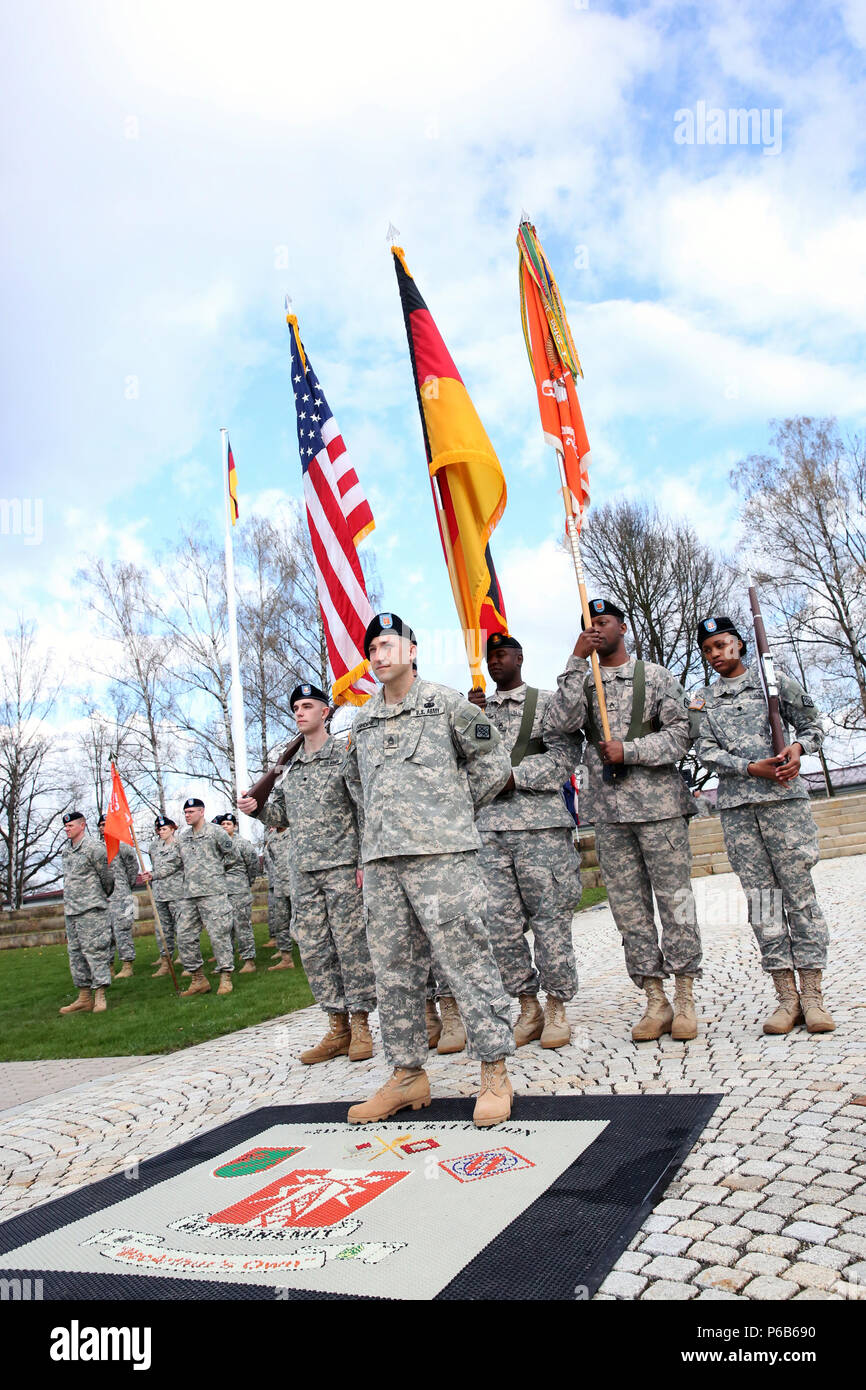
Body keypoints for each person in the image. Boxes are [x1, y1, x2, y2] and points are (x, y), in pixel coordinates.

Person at [342, 612, 516, 1128]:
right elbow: (357, 786)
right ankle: (406, 1075)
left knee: (465, 958)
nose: (379, 654)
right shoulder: (364, 720)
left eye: (389, 644)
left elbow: (493, 758)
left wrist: (455, 808)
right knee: (393, 969)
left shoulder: (445, 704)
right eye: (373, 647)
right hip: (383, 862)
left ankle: (494, 1071)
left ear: (412, 651)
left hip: (442, 857)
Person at [546, 599, 702, 1042]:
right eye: (588, 625)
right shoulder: (583, 680)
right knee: (630, 912)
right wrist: (576, 661)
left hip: (659, 811)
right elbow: (559, 726)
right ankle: (655, 999)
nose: (596, 629)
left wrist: (630, 751)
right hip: (610, 814)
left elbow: (679, 737)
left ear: (623, 626)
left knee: (676, 903)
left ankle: (685, 994)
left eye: (603, 621)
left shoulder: (654, 677)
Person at [694, 615, 833, 1034]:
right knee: (763, 901)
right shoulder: (702, 700)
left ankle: (813, 994)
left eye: (721, 645)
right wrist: (750, 767)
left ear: (739, 644)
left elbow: (813, 725)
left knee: (799, 896)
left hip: (785, 806)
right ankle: (786, 997)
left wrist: (797, 746)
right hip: (740, 811)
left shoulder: (774, 685)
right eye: (708, 650)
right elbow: (705, 750)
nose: (716, 655)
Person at [238, 683, 377, 1063]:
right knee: (315, 950)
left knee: (351, 947)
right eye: (296, 707)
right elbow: (280, 815)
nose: (300, 712)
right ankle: (337, 1027)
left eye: (307, 706)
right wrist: (257, 808)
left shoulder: (344, 754)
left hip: (343, 867)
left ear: (325, 712)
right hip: (304, 872)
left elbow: (363, 808)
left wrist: (364, 861)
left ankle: (362, 1023)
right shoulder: (291, 767)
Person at [468, 633, 583, 1049]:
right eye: (489, 656)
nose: (494, 662)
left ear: (520, 656)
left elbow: (565, 755)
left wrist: (514, 777)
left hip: (540, 830)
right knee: (499, 925)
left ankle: (556, 1006)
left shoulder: (547, 702)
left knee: (550, 919)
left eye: (501, 654)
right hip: (488, 831)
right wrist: (469, 721)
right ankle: (526, 1004)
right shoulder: (473, 711)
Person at [173, 798, 237, 997]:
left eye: (191, 811)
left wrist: (215, 871)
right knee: (184, 936)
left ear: (202, 811)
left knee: (219, 935)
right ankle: (198, 979)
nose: (187, 815)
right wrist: (154, 874)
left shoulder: (216, 832)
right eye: (185, 812)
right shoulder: (183, 838)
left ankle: (225, 977)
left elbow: (232, 855)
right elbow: (176, 862)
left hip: (213, 892)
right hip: (190, 894)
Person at [59, 811, 114, 1014]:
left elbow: (107, 877)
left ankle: (100, 995)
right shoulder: (67, 851)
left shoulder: (94, 848)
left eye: (71, 825)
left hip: (91, 908)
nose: (67, 829)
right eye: (65, 826)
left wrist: (98, 896)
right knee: (75, 953)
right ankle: (84, 997)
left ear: (82, 825)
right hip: (72, 910)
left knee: (95, 951)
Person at [214, 813, 259, 974]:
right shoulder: (217, 845)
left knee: (242, 926)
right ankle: (226, 962)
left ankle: (249, 960)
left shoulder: (242, 844)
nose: (225, 826)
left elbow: (253, 864)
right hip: (221, 891)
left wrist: (248, 882)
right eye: (222, 824)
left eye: (228, 824)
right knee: (224, 929)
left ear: (234, 826)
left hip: (239, 891)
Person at [97, 813, 138, 978]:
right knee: (105, 933)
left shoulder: (123, 846)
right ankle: (109, 965)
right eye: (100, 824)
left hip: (122, 896)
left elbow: (132, 869)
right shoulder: (96, 848)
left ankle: (127, 964)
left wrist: (125, 886)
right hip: (102, 897)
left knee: (122, 930)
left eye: (106, 824)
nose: (102, 827)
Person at [147, 815, 183, 977]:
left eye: (164, 829)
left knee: (181, 928)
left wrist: (153, 875)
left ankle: (186, 959)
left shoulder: (180, 845)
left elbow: (173, 866)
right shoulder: (155, 847)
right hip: (160, 893)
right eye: (159, 829)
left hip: (177, 892)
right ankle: (165, 962)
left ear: (172, 829)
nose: (161, 832)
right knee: (162, 930)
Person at [264, 825, 295, 970]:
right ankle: (286, 958)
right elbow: (272, 858)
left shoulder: (294, 831)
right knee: (281, 923)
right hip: (280, 887)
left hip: (297, 885)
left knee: (306, 922)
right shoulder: (271, 838)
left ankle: (313, 954)